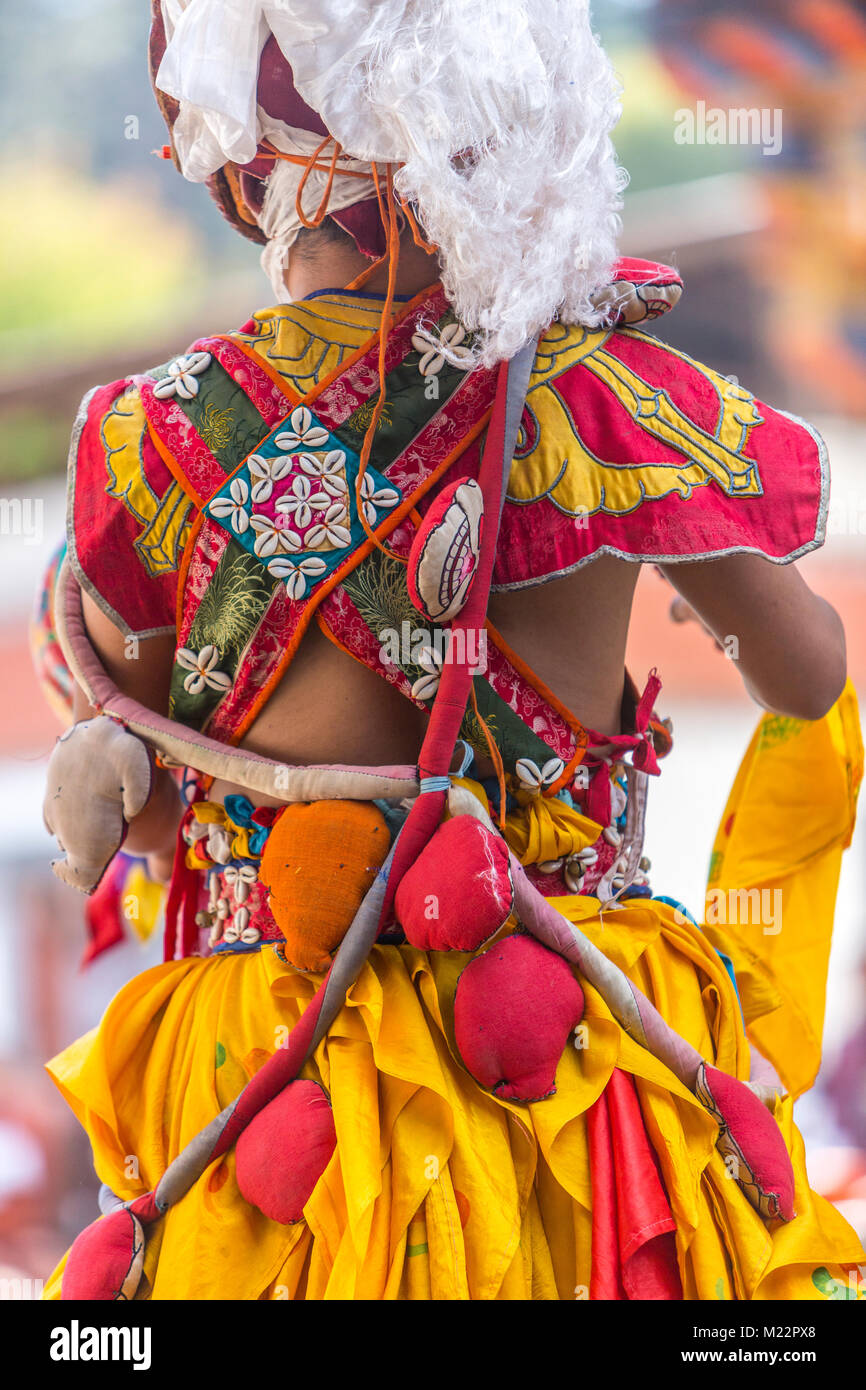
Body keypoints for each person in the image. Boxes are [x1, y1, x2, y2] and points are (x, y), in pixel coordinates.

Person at [38, 1, 863, 1300]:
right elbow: (809, 676)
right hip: (567, 1079)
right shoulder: (609, 401)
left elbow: (145, 830)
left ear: (257, 172)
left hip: (267, 1093)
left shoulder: (148, 436)